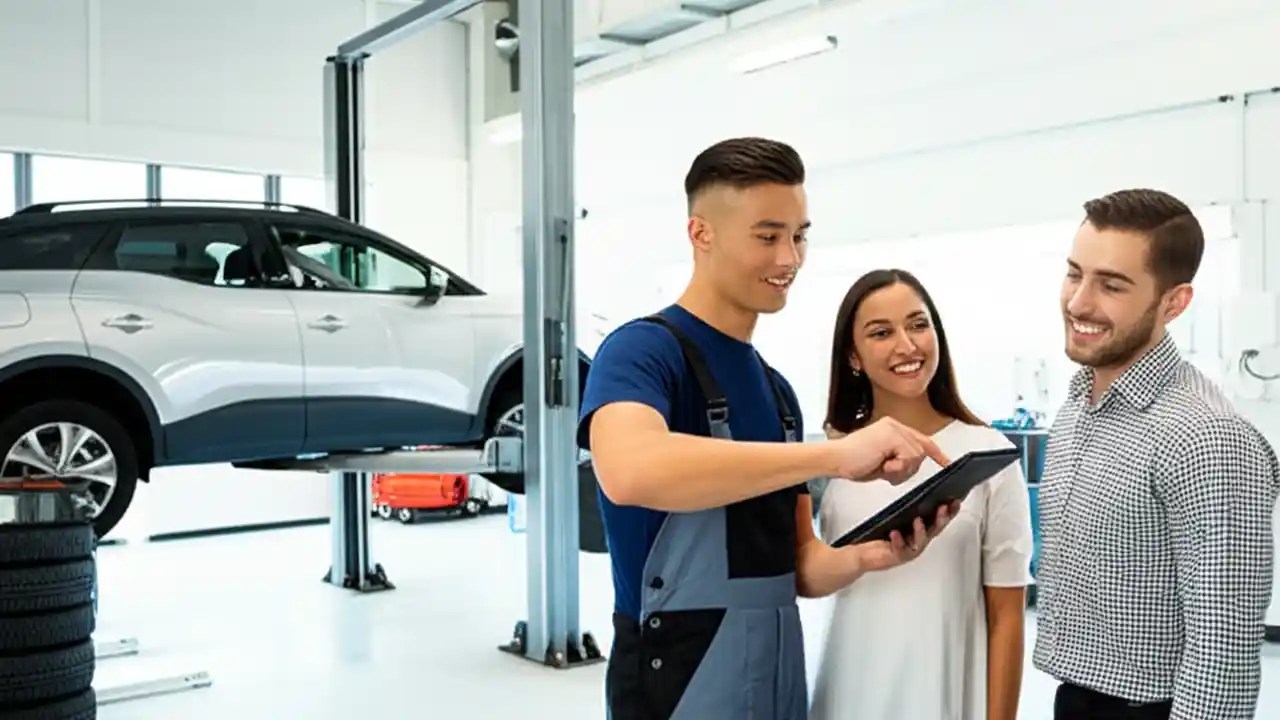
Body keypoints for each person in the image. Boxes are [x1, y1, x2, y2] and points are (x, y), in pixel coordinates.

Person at [578, 137, 959, 720]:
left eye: (800, 235)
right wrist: (831, 458)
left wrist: (871, 555)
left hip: (775, 677)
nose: (790, 259)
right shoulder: (642, 352)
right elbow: (629, 472)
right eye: (768, 236)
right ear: (701, 234)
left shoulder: (776, 391)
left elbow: (797, 566)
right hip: (678, 682)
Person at [1033, 188, 1280, 720]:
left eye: (1112, 285)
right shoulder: (1077, 407)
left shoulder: (1207, 438)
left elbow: (1225, 651)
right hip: (1078, 697)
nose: (1078, 302)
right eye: (1075, 273)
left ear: (1175, 302)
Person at [807, 269, 1035, 720]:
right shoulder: (834, 457)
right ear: (853, 356)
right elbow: (809, 580)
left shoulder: (988, 453)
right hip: (850, 691)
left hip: (945, 694)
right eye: (881, 332)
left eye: (918, 324)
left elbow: (1006, 615)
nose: (907, 346)